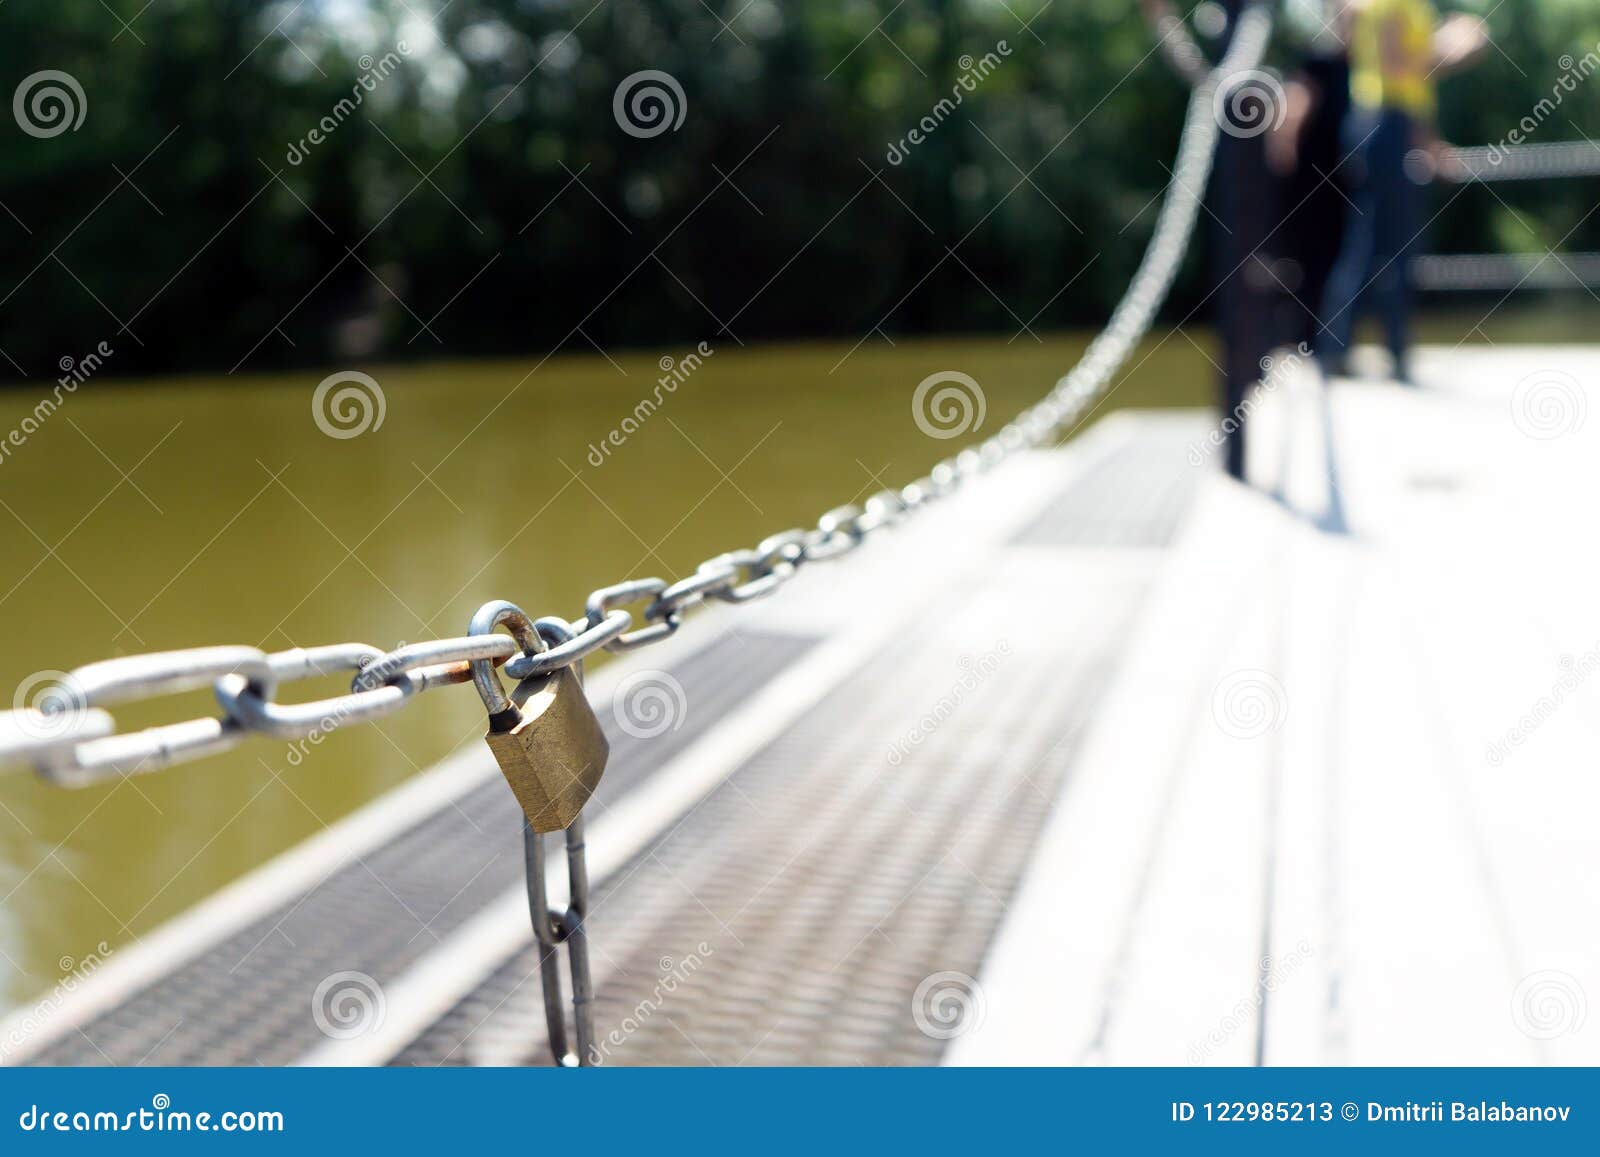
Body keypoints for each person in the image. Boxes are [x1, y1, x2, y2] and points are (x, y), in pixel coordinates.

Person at [1316, 1, 1486, 381]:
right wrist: (1449, 45)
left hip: (1386, 124)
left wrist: (1426, 138)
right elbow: (1398, 69)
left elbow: (1405, 83)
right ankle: (1376, 353)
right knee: (1389, 247)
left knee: (1377, 244)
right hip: (1386, 126)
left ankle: (1352, 351)